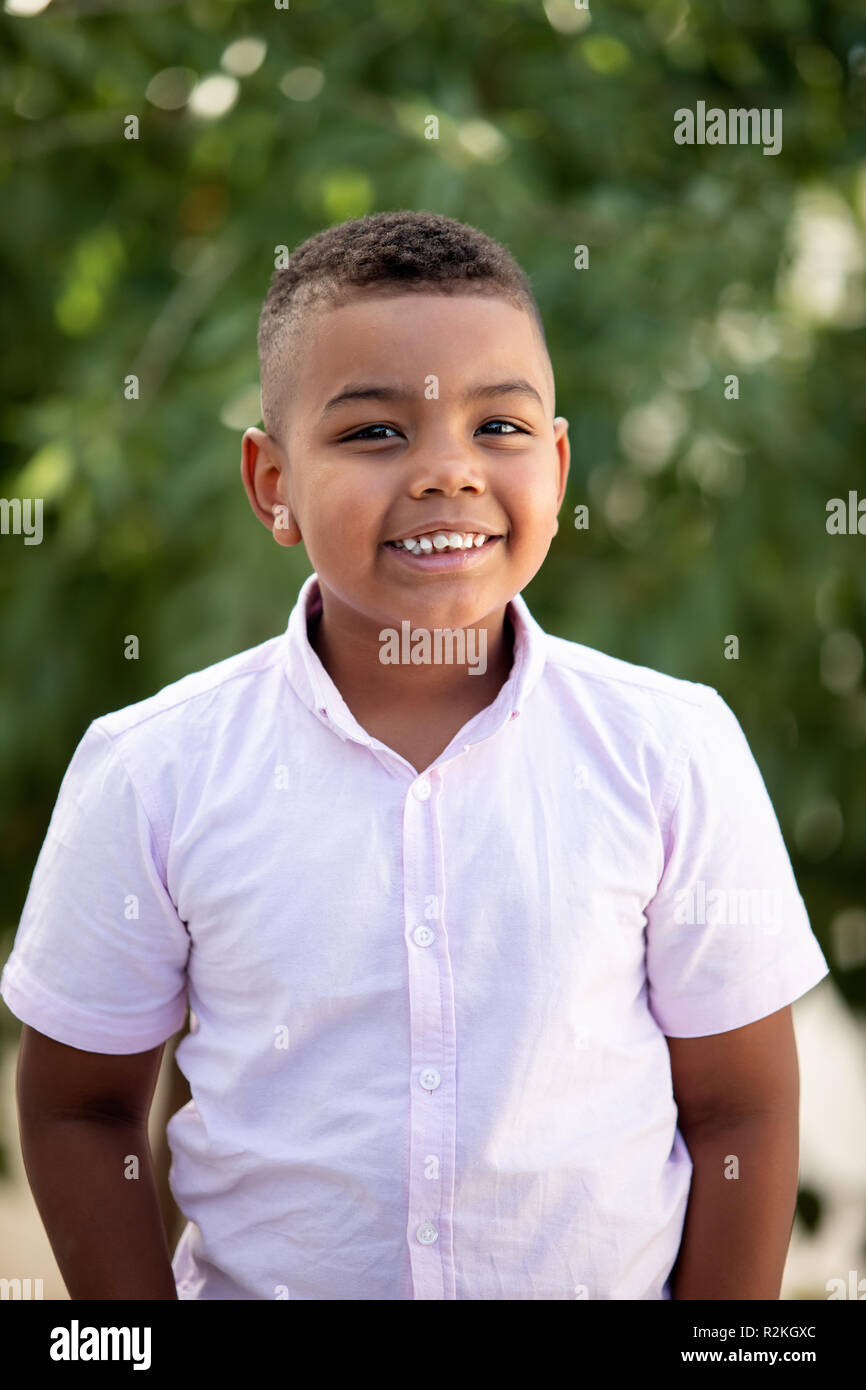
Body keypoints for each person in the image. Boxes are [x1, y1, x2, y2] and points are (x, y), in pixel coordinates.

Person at [1, 210, 829, 1300]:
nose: (447, 472)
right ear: (271, 484)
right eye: (375, 433)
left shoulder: (667, 748)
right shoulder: (152, 768)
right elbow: (80, 1106)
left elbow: (738, 1107)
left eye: (500, 427)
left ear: (559, 459)